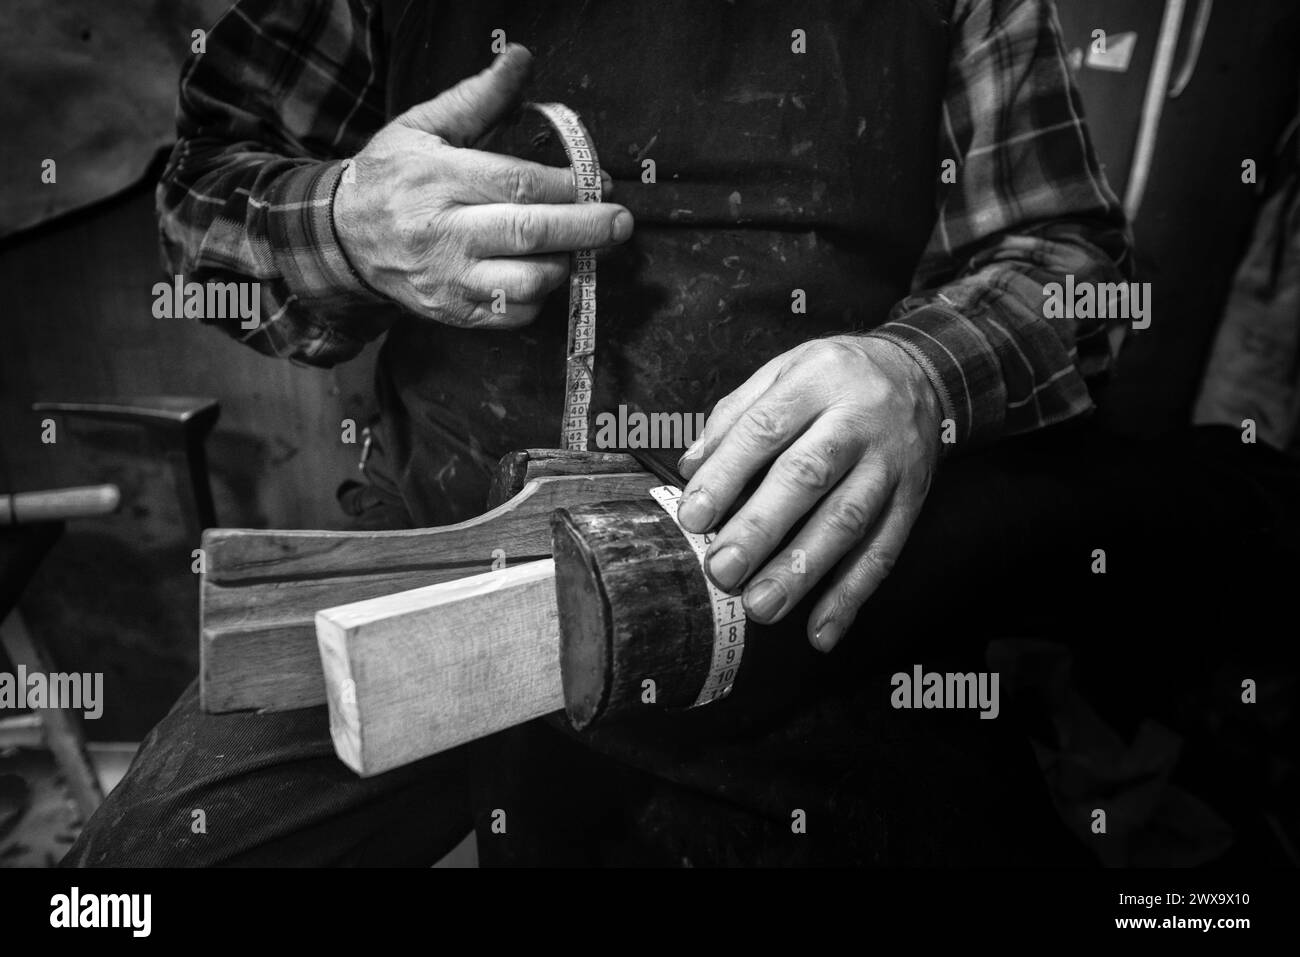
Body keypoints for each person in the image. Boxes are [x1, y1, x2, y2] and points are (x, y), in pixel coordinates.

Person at [67, 0, 1142, 866]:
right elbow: (205, 193)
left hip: (781, 576)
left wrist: (918, 373)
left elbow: (1073, 262)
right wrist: (342, 228)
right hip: (448, 544)